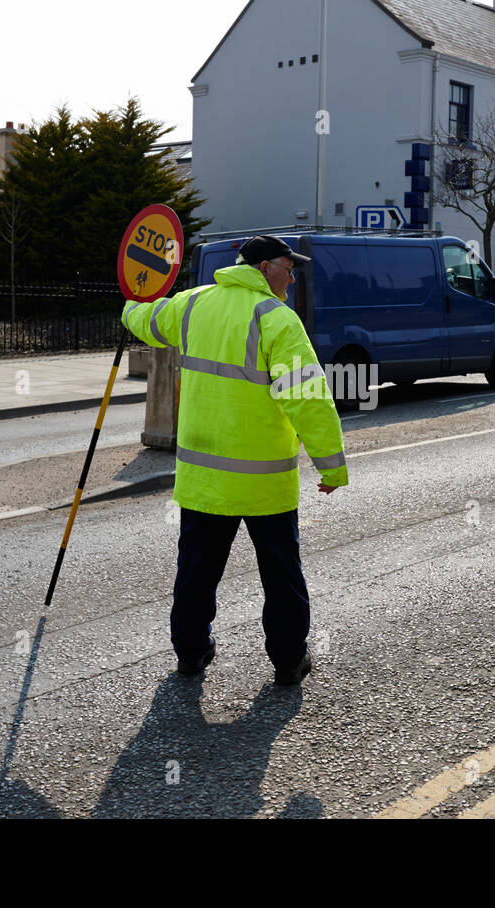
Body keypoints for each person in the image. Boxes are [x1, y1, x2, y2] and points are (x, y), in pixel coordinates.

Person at [121, 234, 348, 685]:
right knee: (282, 578)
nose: (292, 275)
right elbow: (308, 398)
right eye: (288, 266)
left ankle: (190, 652)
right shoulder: (277, 319)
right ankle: (287, 661)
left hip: (204, 481)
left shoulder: (191, 304)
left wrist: (129, 302)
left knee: (196, 574)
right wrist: (331, 465)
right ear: (264, 268)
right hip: (264, 483)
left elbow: (144, 317)